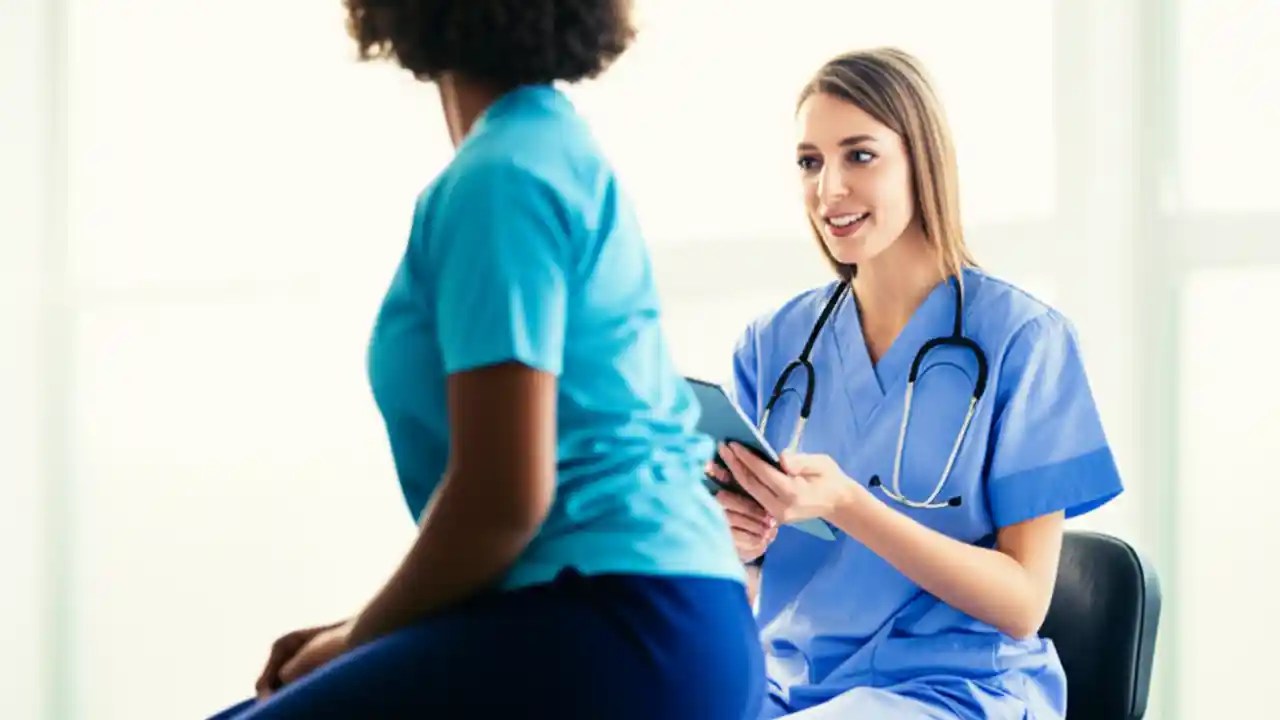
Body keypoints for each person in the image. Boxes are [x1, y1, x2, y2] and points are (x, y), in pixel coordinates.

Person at [207, 2, 762, 718]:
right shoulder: (544, 147)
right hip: (658, 618)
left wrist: (352, 644)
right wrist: (364, 637)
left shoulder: (503, 176)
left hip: (620, 626)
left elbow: (502, 500)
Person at [705, 47, 1124, 719]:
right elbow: (755, 576)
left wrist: (849, 505)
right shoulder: (773, 345)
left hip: (955, 691)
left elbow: (1022, 604)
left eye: (859, 156)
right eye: (810, 161)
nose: (828, 188)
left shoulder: (1024, 342)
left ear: (920, 160)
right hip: (788, 685)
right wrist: (737, 542)